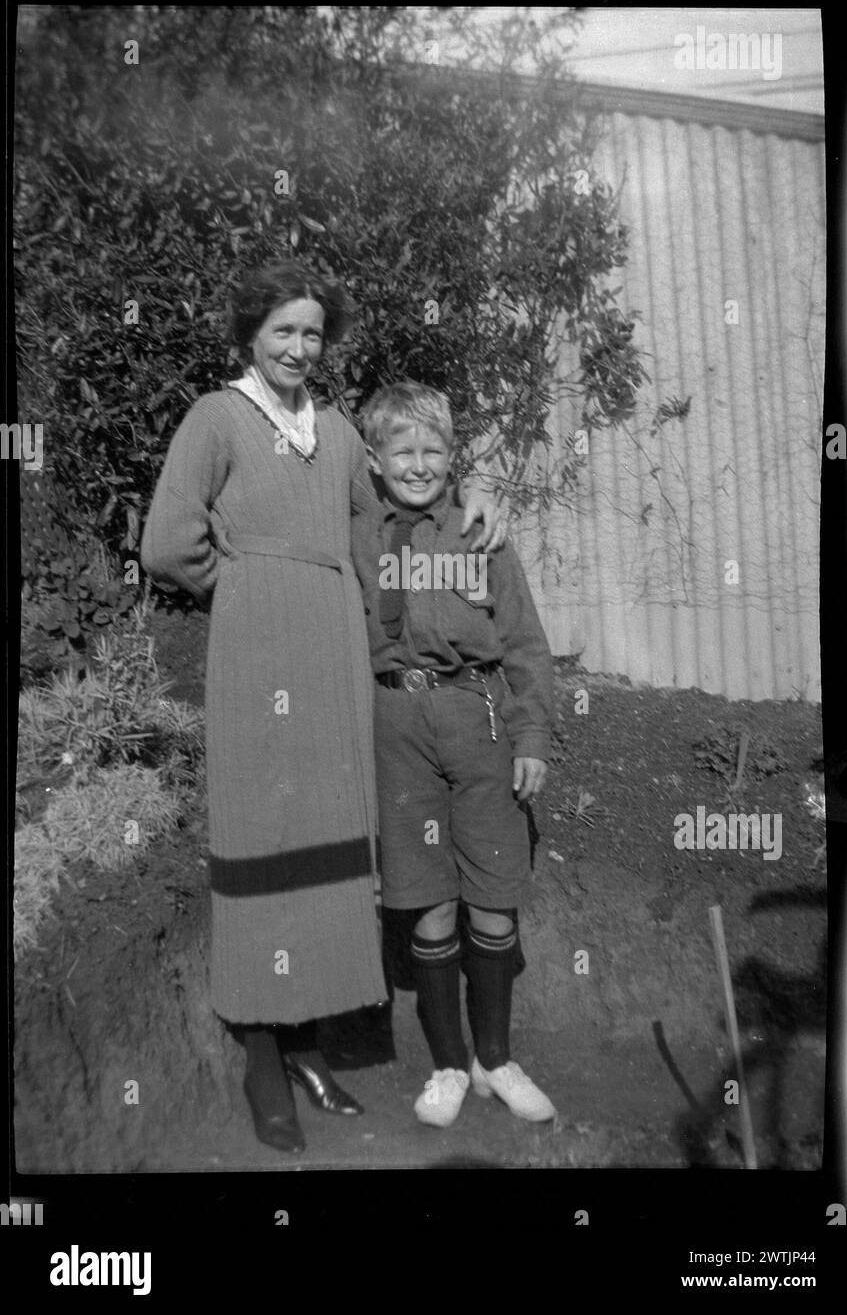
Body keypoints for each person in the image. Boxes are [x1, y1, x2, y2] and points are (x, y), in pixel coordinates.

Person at [141, 264, 502, 1153]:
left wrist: (476, 497)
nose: (298, 348)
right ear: (249, 336)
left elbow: (391, 509)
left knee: (325, 834)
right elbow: (166, 544)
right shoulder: (215, 418)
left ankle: (307, 1044)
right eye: (282, 332)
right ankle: (262, 1054)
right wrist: (252, 584)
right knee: (264, 832)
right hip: (257, 648)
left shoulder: (338, 430)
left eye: (311, 334)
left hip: (334, 653)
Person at [351, 380, 557, 1128]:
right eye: (400, 450)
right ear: (374, 460)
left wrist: (532, 734)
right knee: (428, 903)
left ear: (453, 456)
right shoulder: (356, 533)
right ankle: (446, 1066)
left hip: (477, 722)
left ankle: (494, 1059)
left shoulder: (481, 534)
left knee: (493, 899)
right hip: (395, 724)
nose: (417, 463)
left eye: (433, 450)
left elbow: (528, 643)